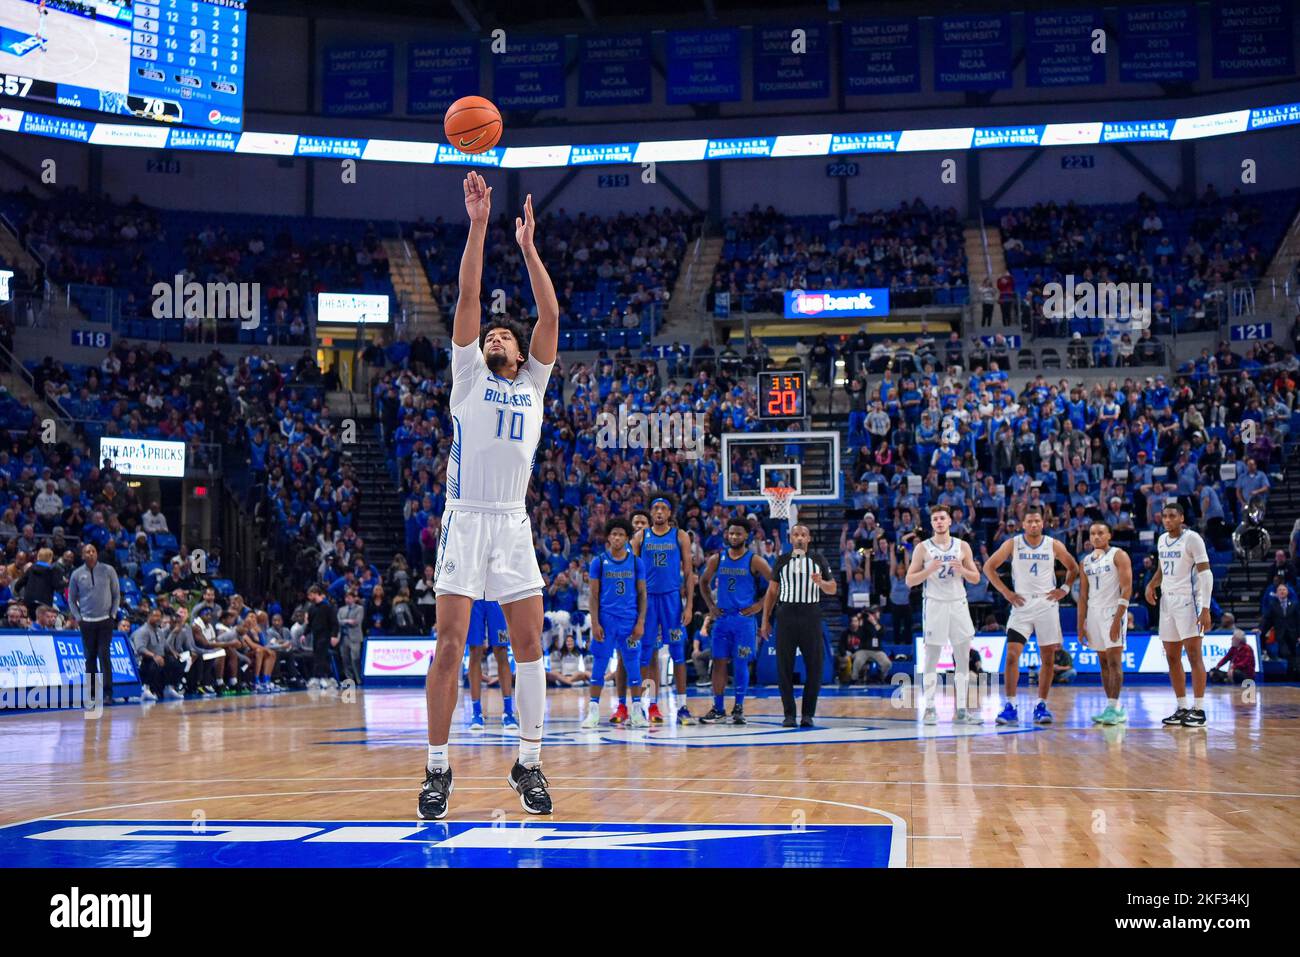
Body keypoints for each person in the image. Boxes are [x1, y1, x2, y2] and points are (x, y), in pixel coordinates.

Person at [420, 174, 559, 821]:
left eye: (506, 333)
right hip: (467, 520)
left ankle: (528, 760)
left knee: (530, 645)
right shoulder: (468, 372)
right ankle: (437, 769)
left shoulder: (533, 381)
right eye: (493, 334)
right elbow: (470, 291)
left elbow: (551, 316)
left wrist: (528, 248)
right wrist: (478, 225)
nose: (497, 336)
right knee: (450, 643)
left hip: (511, 523)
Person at [983, 504, 1079, 725]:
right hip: (1022, 604)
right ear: (1023, 524)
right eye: (1029, 521)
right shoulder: (1013, 544)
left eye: (1037, 521)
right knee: (1012, 656)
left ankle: (1041, 705)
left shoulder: (1053, 544)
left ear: (1042, 523)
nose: (1034, 524)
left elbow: (1073, 568)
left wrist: (1064, 589)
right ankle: (1010, 705)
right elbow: (989, 567)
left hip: (1046, 604)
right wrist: (1006, 593)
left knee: (1047, 659)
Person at [905, 504, 983, 725]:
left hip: (958, 603)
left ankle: (961, 710)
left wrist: (963, 570)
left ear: (950, 521)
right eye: (935, 519)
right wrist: (929, 570)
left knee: (962, 659)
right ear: (932, 523)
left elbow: (976, 578)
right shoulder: (922, 548)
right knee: (932, 658)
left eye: (942, 518)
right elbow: (910, 581)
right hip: (935, 605)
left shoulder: (962, 546)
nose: (939, 522)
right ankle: (929, 708)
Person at [1144, 502, 1212, 727]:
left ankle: (1199, 709)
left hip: (1189, 601)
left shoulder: (1193, 539)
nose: (1167, 520)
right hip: (1167, 601)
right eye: (1164, 516)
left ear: (1181, 518)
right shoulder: (1162, 540)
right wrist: (1151, 584)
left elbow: (1206, 573)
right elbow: (1163, 568)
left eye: (1172, 516)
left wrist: (1206, 608)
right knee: (1172, 656)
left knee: (1194, 656)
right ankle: (1182, 707)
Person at [629, 494, 695, 725]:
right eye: (655, 508)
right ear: (650, 513)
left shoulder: (680, 536)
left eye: (662, 508)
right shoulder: (640, 537)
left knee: (677, 654)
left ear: (669, 513)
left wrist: (689, 606)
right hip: (647, 602)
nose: (658, 512)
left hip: (672, 601)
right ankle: (646, 706)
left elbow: (688, 573)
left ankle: (683, 707)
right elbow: (631, 573)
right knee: (645, 655)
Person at [703, 519, 774, 725]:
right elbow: (703, 582)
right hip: (723, 619)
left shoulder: (755, 560)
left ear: (746, 536)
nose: (734, 537)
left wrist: (760, 605)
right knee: (718, 662)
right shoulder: (718, 558)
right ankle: (718, 708)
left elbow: (775, 583)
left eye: (738, 534)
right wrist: (711, 606)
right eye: (731, 533)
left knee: (741, 662)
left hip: (743, 621)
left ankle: (739, 707)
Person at [584, 518, 648, 729]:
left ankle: (637, 712)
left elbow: (642, 595)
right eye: (614, 534)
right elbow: (593, 596)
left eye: (621, 534)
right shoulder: (598, 561)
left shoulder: (636, 562)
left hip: (629, 621)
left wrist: (640, 622)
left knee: (633, 666)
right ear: (608, 537)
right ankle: (593, 711)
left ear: (628, 538)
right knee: (599, 665)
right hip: (606, 620)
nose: (617, 538)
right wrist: (594, 622)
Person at [1077, 522, 1133, 726]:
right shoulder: (1085, 562)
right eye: (1092, 534)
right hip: (1093, 613)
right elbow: (1083, 595)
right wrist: (1080, 624)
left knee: (1114, 662)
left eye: (1100, 533)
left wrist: (1118, 619)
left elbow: (1127, 589)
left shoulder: (1119, 555)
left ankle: (1113, 706)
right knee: (1102, 663)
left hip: (1112, 611)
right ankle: (1114, 708)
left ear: (1109, 535)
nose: (1096, 537)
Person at [67, 544, 122, 705]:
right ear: (82, 555)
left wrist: (112, 614)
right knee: (89, 658)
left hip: (105, 620)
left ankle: (107, 693)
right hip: (87, 622)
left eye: (93, 551)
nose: (90, 554)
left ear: (97, 554)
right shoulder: (76, 574)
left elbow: (116, 595)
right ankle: (91, 694)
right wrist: (78, 617)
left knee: (104, 655)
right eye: (87, 552)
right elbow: (71, 599)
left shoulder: (108, 570)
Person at [466, 600, 517, 731]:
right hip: (475, 596)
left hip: (497, 597)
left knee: (502, 653)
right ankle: (476, 713)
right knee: (475, 652)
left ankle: (508, 712)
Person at [131, 608, 185, 702]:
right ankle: (146, 689)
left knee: (175, 661)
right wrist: (154, 656)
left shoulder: (159, 630)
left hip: (159, 656)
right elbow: (140, 649)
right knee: (154, 663)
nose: (158, 618)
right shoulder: (143, 631)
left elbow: (165, 645)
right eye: (155, 616)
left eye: (160, 616)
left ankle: (169, 687)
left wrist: (173, 652)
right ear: (149, 617)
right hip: (145, 660)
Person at [1260, 583, 1299, 678]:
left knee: (1293, 654)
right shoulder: (1273, 605)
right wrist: (1260, 628)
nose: (1282, 591)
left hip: (1293, 634)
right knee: (1285, 653)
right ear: (1276, 593)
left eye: (1284, 589)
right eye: (1280, 590)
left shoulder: (1294, 604)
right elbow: (1267, 619)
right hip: (1280, 635)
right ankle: (1289, 674)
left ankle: (1292, 675)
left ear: (1287, 592)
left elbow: (1298, 620)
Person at [336, 589, 365, 687]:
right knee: (345, 659)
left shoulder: (359, 609)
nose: (347, 600)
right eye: (346, 598)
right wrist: (348, 621)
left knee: (355, 659)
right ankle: (350, 680)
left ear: (354, 598)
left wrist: (344, 621)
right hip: (344, 638)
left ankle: (358, 679)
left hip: (355, 638)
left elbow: (356, 622)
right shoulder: (341, 609)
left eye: (349, 598)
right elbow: (338, 622)